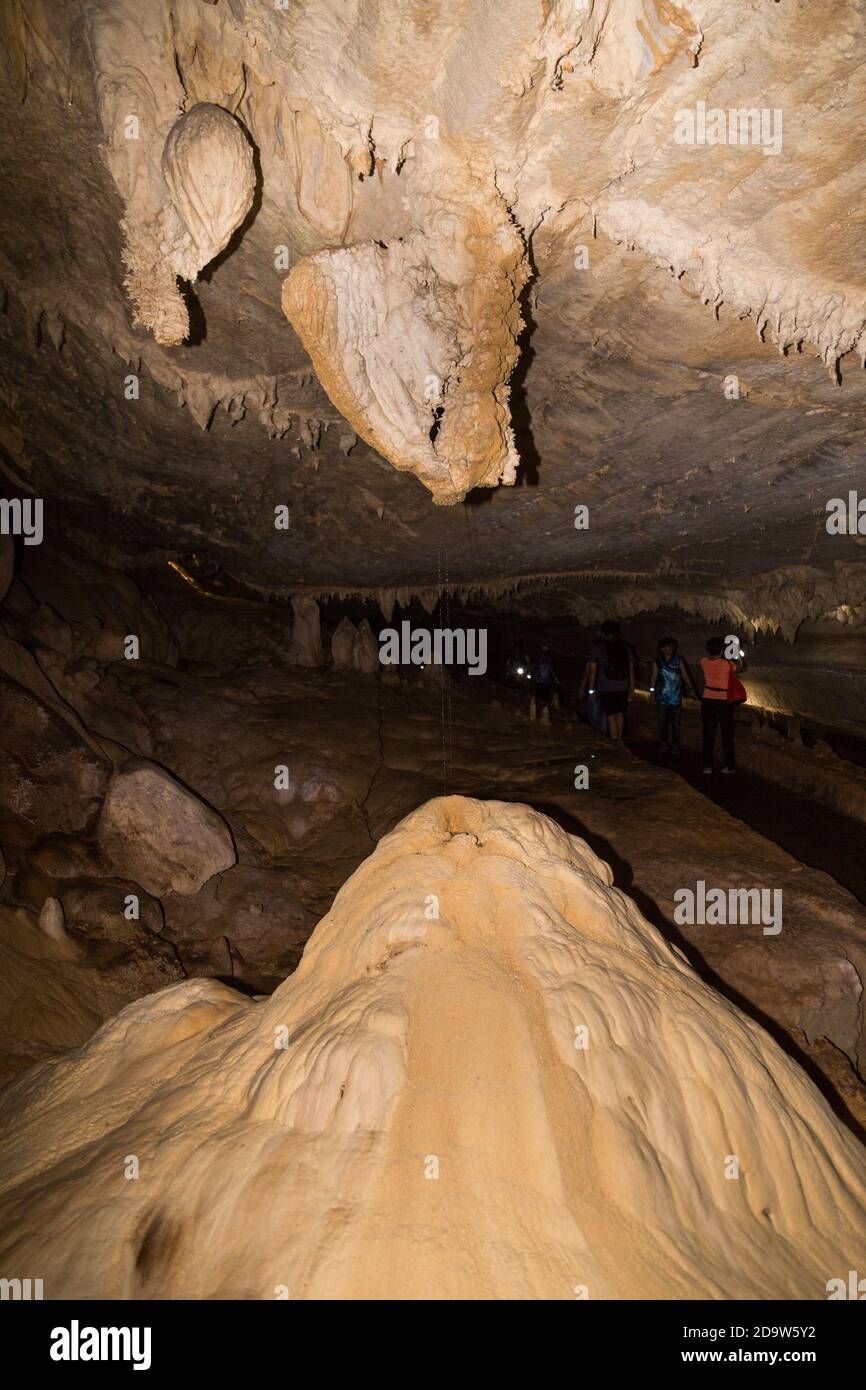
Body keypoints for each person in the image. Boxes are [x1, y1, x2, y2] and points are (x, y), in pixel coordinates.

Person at [579, 620, 636, 740]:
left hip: (606, 687)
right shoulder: (626, 647)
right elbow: (631, 670)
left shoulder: (598, 649)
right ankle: (620, 740)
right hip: (623, 687)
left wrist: (590, 691)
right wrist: (631, 689)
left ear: (603, 633)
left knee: (611, 716)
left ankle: (615, 742)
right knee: (620, 713)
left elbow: (592, 672)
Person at [699, 636, 743, 774]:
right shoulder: (727, 664)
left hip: (707, 699)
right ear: (722, 649)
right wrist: (738, 655)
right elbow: (740, 668)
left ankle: (707, 766)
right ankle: (728, 766)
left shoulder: (703, 661)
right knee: (726, 734)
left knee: (708, 733)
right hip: (723, 700)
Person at [651, 637, 696, 757]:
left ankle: (675, 745)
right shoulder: (658, 661)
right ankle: (664, 744)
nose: (671, 649)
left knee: (675, 723)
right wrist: (651, 692)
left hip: (675, 696)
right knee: (662, 722)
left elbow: (685, 676)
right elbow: (653, 678)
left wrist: (692, 689)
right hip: (662, 696)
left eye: (672, 646)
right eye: (668, 647)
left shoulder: (678, 660)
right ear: (662, 649)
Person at [531, 644, 558, 714]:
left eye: (546, 651)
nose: (544, 652)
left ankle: (544, 710)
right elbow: (534, 666)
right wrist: (530, 673)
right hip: (539, 680)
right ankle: (539, 710)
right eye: (543, 651)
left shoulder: (549, 660)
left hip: (546, 681)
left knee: (544, 696)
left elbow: (551, 669)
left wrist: (555, 677)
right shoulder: (538, 659)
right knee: (539, 696)